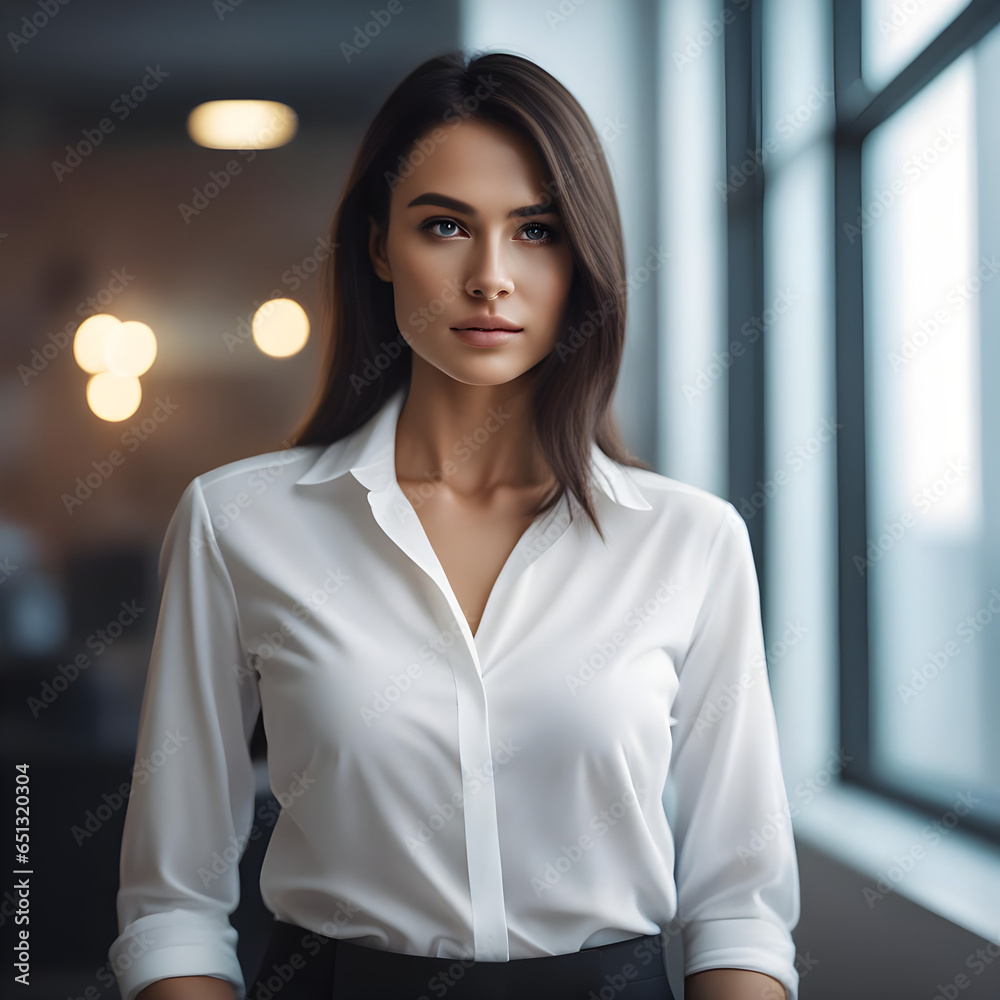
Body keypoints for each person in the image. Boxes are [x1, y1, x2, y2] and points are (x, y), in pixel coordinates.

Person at [109, 50, 800, 1000]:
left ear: (582, 256)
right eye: (445, 226)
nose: (490, 277)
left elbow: (739, 909)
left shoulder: (692, 542)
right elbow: (172, 907)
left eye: (536, 231)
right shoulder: (237, 524)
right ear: (381, 246)